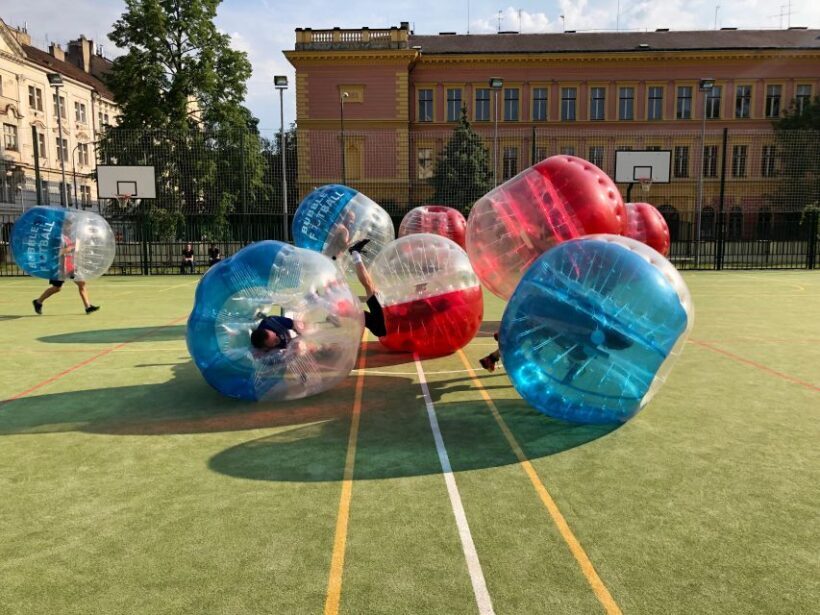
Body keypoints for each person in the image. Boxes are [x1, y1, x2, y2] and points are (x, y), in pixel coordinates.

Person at [32, 220, 99, 315]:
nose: (70, 228)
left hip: (69, 265)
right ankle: (38, 302)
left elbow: (73, 250)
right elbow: (57, 253)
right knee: (57, 288)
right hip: (59, 267)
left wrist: (78, 247)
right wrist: (70, 248)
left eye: (70, 226)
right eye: (68, 226)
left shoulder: (68, 238)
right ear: (63, 227)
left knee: (82, 283)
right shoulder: (58, 238)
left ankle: (88, 307)